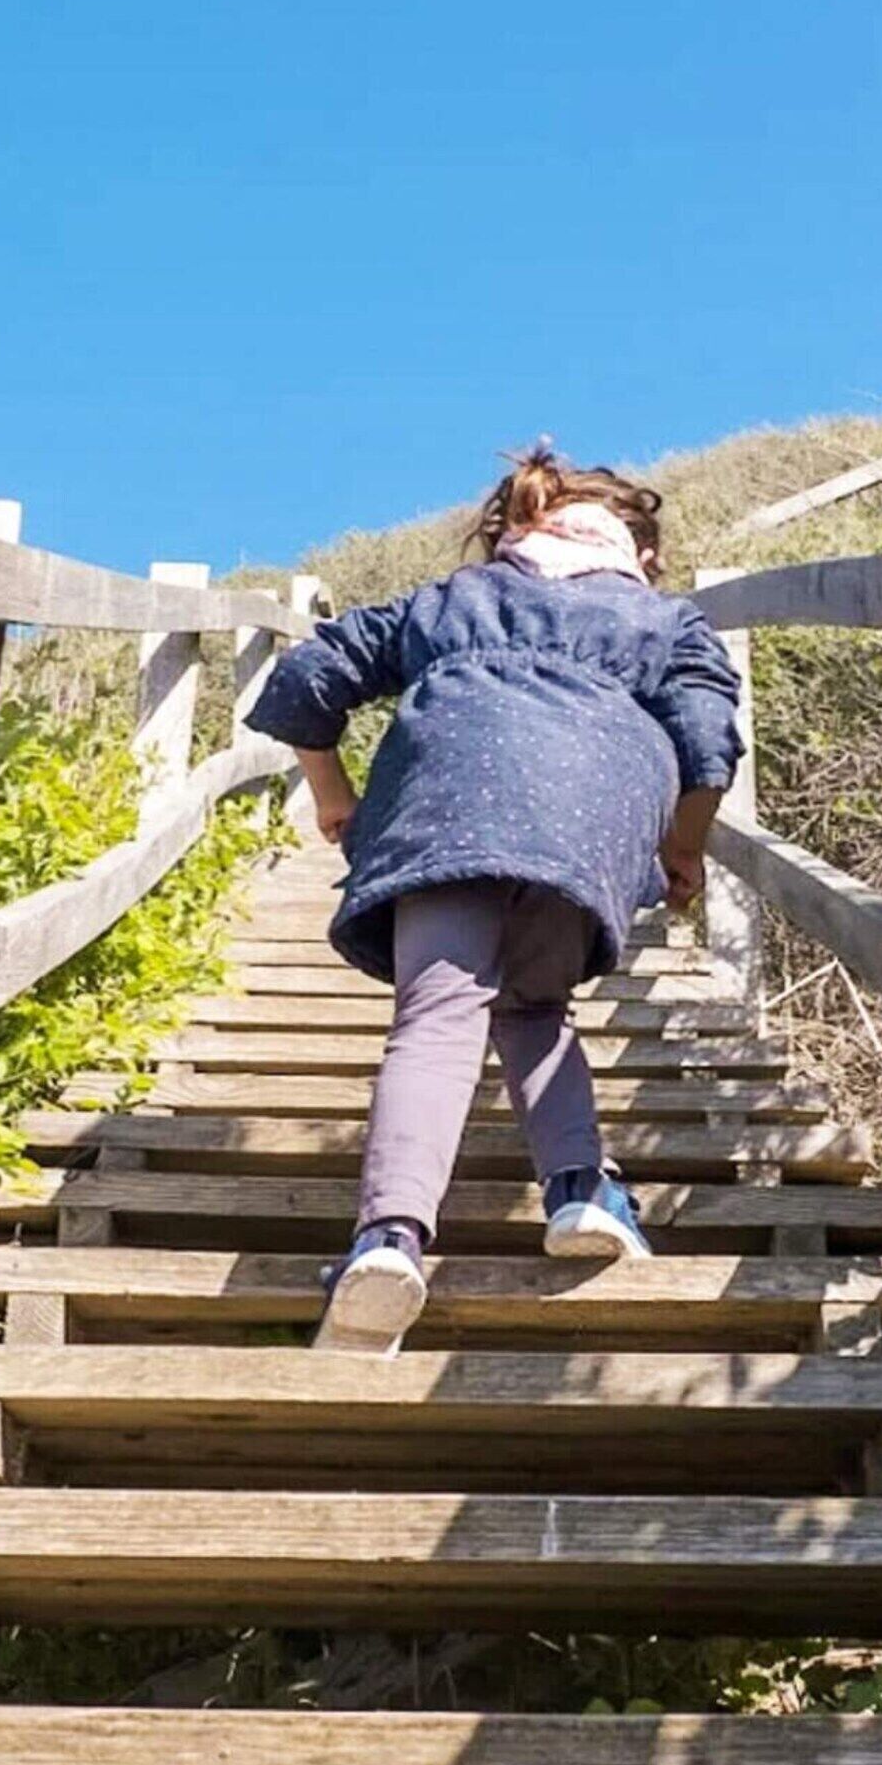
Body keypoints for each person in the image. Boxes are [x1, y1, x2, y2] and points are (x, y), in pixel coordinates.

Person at [241, 445, 744, 1353]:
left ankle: (388, 1241)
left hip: (443, 804)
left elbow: (308, 675)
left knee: (437, 1015)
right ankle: (583, 1192)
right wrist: (682, 850)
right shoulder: (667, 619)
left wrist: (332, 792)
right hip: (587, 826)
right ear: (641, 552)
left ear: (515, 533)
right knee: (537, 1009)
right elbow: (707, 738)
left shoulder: (451, 599)